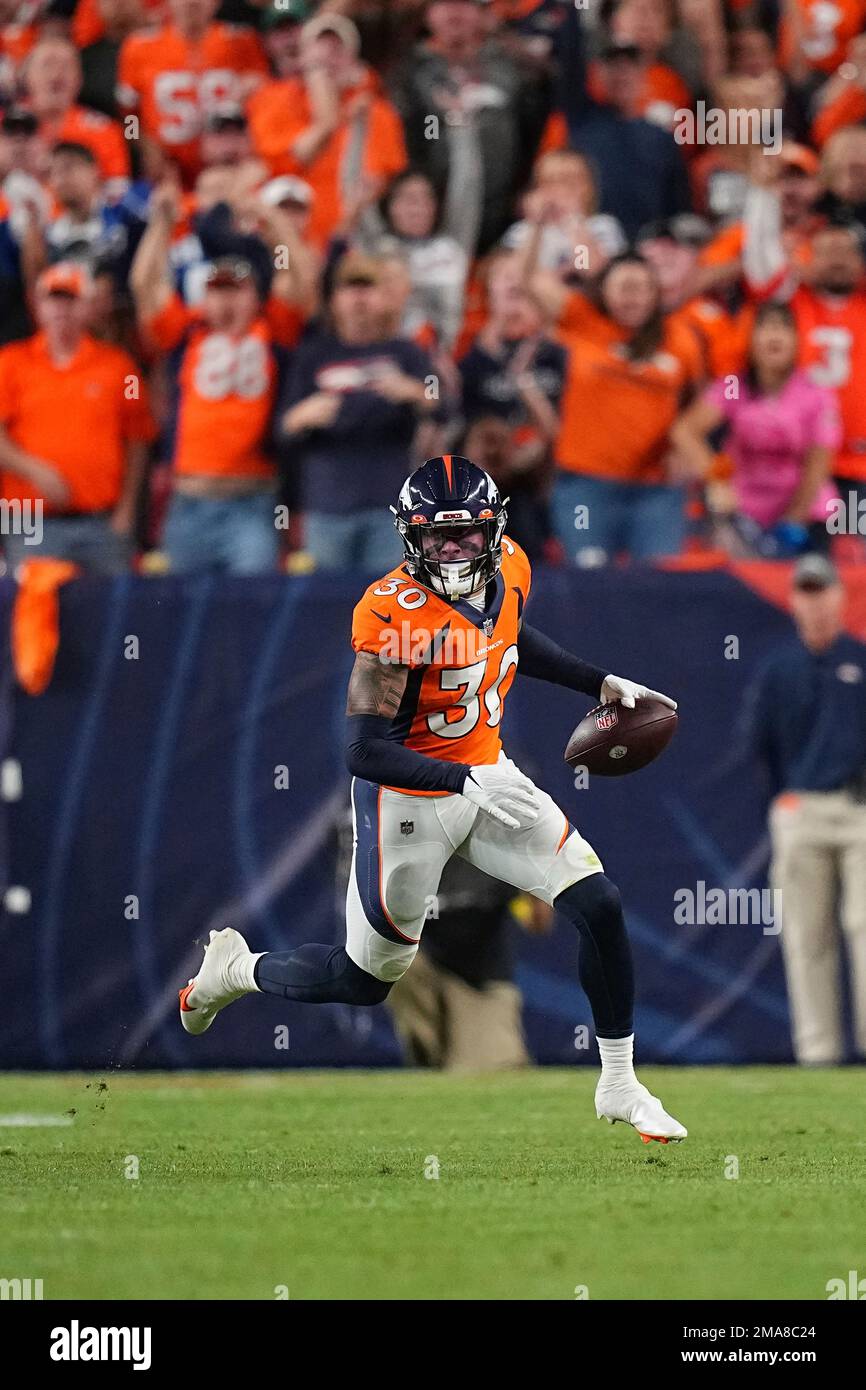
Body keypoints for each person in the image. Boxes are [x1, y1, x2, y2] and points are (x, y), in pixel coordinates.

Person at [178, 453, 688, 1146]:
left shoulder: (510, 566)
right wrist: (459, 779)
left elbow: (503, 638)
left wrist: (595, 681)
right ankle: (234, 970)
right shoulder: (390, 609)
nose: (453, 551)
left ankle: (621, 1083)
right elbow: (362, 750)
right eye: (437, 538)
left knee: (596, 900)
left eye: (467, 536)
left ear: (494, 531)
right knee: (366, 977)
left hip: (487, 774)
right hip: (407, 799)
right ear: (409, 537)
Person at [131, 180, 304, 573]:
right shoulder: (186, 332)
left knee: (251, 610)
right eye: (217, 289)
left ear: (256, 296)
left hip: (252, 500)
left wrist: (273, 220)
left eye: (236, 289)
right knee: (185, 617)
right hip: (188, 500)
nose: (226, 298)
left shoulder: (273, 331)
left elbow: (298, 279)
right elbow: (144, 284)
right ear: (204, 296)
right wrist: (160, 224)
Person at [744, 554, 866, 1065]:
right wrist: (784, 796)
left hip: (859, 810)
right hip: (802, 809)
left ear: (840, 596)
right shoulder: (777, 668)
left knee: (864, 927)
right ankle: (818, 1054)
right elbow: (758, 745)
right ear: (794, 600)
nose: (815, 603)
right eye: (806, 593)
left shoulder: (860, 660)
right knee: (805, 935)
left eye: (823, 591)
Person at [277, 250, 440, 573]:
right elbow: (282, 428)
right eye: (350, 288)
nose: (358, 298)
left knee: (389, 609)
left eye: (367, 288)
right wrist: (302, 416)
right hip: (327, 506)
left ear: (383, 298)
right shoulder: (313, 355)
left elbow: (443, 404)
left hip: (388, 506)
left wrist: (414, 392)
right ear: (335, 299)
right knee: (326, 607)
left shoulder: (404, 351)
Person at [0, 260, 155, 572]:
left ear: (87, 307)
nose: (61, 309)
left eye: (70, 300)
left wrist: (127, 510)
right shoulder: (10, 363)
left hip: (102, 520)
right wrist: (33, 469)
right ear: (37, 306)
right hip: (29, 520)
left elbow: (139, 439)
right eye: (53, 299)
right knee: (35, 610)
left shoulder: (121, 368)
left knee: (112, 614)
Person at [670, 302, 842, 557]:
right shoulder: (733, 385)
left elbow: (818, 466)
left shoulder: (816, 394)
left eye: (783, 328)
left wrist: (793, 521)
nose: (774, 335)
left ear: (797, 341)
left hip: (805, 511)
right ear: (751, 340)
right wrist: (717, 478)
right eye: (765, 327)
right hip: (742, 512)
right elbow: (685, 431)